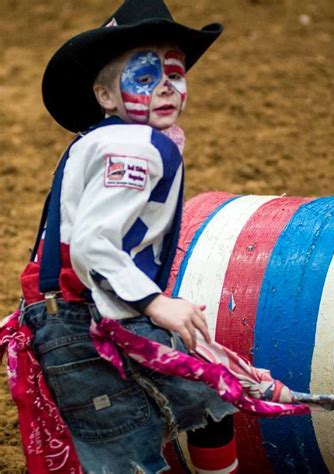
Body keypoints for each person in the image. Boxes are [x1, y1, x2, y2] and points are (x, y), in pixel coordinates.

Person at [18, 0, 240, 472]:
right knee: (128, 453)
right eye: (144, 77)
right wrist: (157, 303)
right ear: (104, 95)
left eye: (175, 76)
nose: (165, 88)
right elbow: (94, 245)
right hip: (82, 321)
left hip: (94, 310)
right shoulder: (132, 146)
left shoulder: (112, 138)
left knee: (210, 404)